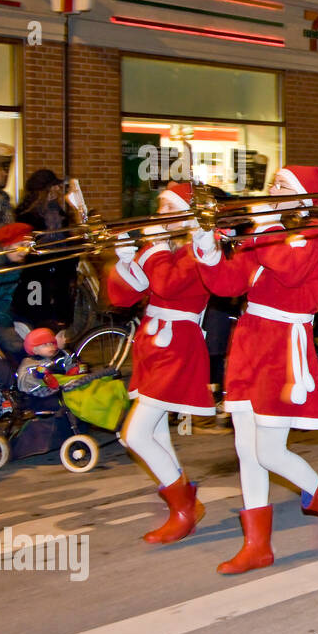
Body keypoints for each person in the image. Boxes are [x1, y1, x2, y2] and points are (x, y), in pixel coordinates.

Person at [192, 166, 318, 574]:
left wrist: (262, 228)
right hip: (250, 339)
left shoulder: (313, 232)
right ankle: (257, 544)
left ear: (305, 196)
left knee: (269, 450)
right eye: (274, 183)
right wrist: (208, 251)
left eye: (283, 185)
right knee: (247, 449)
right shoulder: (269, 231)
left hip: (284, 343)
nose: (272, 190)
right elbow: (229, 286)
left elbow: (291, 268)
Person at [107, 183, 214, 544]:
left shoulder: (199, 250)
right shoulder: (163, 250)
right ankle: (182, 504)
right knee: (155, 432)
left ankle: (184, 506)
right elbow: (121, 297)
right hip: (153, 344)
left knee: (134, 433)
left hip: (178, 345)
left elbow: (168, 284)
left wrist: (151, 248)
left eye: (171, 207)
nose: (160, 213)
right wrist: (124, 259)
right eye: (161, 206)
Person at [14, 169, 79, 331]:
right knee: (37, 314)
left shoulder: (59, 212)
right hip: (35, 277)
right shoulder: (26, 215)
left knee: (60, 317)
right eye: (54, 186)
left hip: (60, 275)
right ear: (44, 189)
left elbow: (67, 241)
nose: (58, 189)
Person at [0, 222, 30, 358]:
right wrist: (0, 331)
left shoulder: (13, 267)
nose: (25, 251)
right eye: (21, 245)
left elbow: (5, 301)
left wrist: (7, 326)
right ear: (7, 245)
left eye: (28, 246)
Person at [17, 327, 82, 397]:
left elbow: (70, 362)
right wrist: (37, 376)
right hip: (42, 394)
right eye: (45, 344)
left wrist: (74, 368)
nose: (50, 346)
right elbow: (22, 383)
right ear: (34, 350)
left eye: (52, 343)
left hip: (66, 386)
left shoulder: (62, 355)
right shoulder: (29, 363)